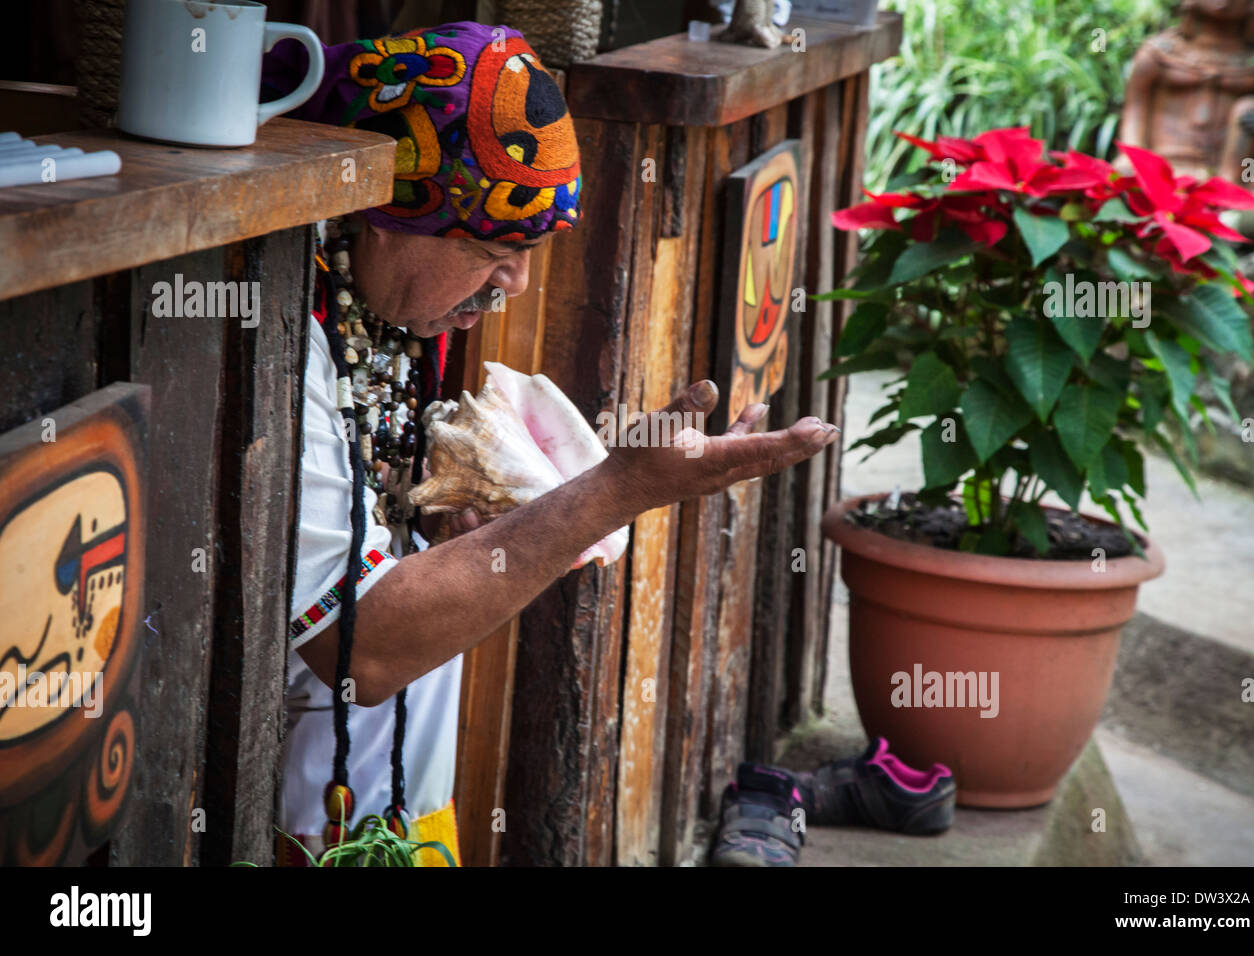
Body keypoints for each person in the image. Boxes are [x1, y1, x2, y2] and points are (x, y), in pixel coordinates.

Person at [262, 21, 839, 865]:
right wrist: (613, 492)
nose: (518, 284)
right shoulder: (289, 345)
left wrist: (439, 538)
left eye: (531, 254)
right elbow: (363, 647)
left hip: (403, 808)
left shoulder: (393, 316)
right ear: (386, 217)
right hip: (297, 827)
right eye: (495, 250)